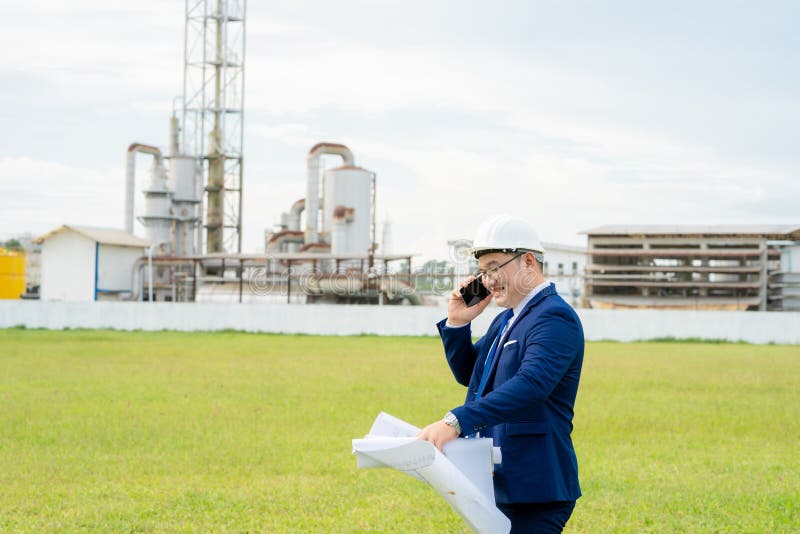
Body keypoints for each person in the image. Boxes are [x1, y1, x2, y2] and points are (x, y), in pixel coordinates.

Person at [418, 214, 584, 533]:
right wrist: (457, 323)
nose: (488, 280)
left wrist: (456, 421)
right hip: (500, 481)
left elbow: (532, 384)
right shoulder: (506, 319)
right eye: (482, 272)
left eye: (495, 267)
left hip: (535, 487)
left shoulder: (554, 317)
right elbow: (472, 375)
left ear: (528, 262)